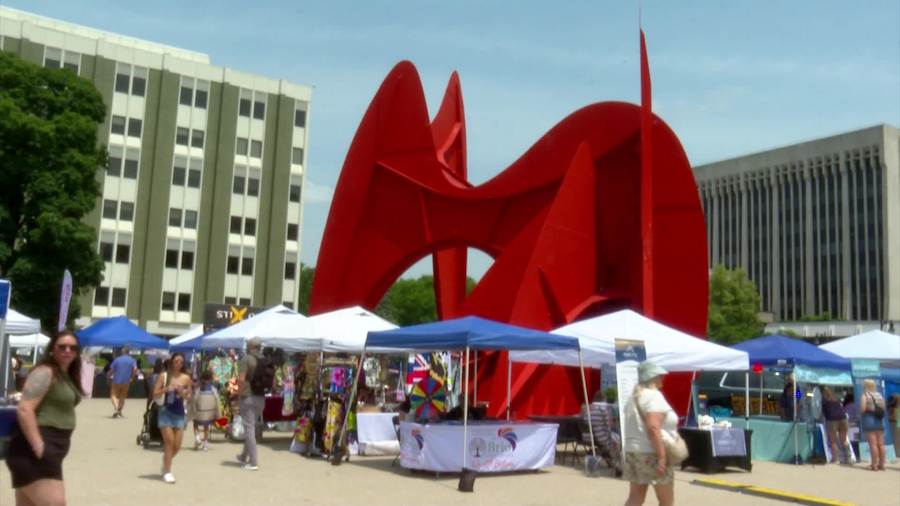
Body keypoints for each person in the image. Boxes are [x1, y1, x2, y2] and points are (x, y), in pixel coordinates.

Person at [5, 330, 84, 506]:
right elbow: (25, 409)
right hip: (34, 447)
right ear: (51, 350)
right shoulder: (45, 372)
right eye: (62, 347)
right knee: (56, 503)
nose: (67, 351)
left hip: (51, 448)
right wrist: (39, 445)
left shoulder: (66, 375)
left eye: (73, 348)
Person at [622, 361, 677, 506]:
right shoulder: (653, 396)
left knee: (635, 497)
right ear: (653, 377)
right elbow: (653, 427)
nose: (662, 378)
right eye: (660, 376)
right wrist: (662, 457)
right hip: (652, 452)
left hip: (634, 451)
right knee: (666, 500)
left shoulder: (633, 398)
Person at [153, 352, 193, 483]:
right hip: (165, 411)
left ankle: (166, 462)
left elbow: (189, 396)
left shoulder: (186, 378)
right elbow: (155, 393)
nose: (179, 364)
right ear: (171, 362)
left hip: (179, 412)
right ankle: (168, 471)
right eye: (176, 361)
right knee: (169, 442)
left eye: (181, 362)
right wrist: (167, 388)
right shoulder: (164, 376)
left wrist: (182, 392)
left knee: (177, 446)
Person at [236, 337, 265, 471]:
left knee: (249, 429)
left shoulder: (247, 359)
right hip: (261, 397)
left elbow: (241, 379)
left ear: (251, 346)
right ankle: (243, 456)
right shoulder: (264, 359)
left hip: (248, 396)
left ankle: (253, 462)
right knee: (251, 427)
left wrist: (238, 395)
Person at [582, 390, 622, 476]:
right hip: (600, 437)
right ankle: (618, 466)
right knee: (617, 440)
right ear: (604, 399)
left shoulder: (587, 408)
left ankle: (610, 460)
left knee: (613, 439)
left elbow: (584, 420)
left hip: (587, 437)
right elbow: (608, 426)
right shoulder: (603, 409)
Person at [859, 379, 886, 471]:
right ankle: (882, 464)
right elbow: (883, 408)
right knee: (881, 444)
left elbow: (862, 409)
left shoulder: (865, 395)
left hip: (869, 419)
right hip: (879, 420)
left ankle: (874, 464)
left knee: (873, 444)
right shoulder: (879, 395)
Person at [191, 370, 219, 451]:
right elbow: (217, 399)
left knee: (195, 424)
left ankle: (197, 438)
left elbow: (194, 399)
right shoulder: (213, 388)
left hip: (199, 412)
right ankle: (205, 444)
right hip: (209, 413)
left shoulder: (198, 388)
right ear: (211, 378)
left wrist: (193, 409)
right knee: (206, 427)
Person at [107, 347, 137, 418]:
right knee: (122, 397)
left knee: (113, 395)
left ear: (122, 352)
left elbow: (111, 370)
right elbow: (135, 369)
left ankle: (117, 408)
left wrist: (108, 377)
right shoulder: (132, 360)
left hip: (116, 380)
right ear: (129, 352)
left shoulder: (117, 359)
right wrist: (132, 377)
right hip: (126, 381)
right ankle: (119, 412)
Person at [821, 387, 849, 464]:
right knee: (844, 440)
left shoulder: (824, 401)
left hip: (832, 419)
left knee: (833, 441)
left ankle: (835, 458)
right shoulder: (836, 399)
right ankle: (848, 457)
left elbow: (821, 412)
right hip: (843, 418)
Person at [890, 393, 900, 461]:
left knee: (897, 440)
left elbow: (894, 417)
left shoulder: (895, 408)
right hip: (897, 424)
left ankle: (898, 453)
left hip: (897, 424)